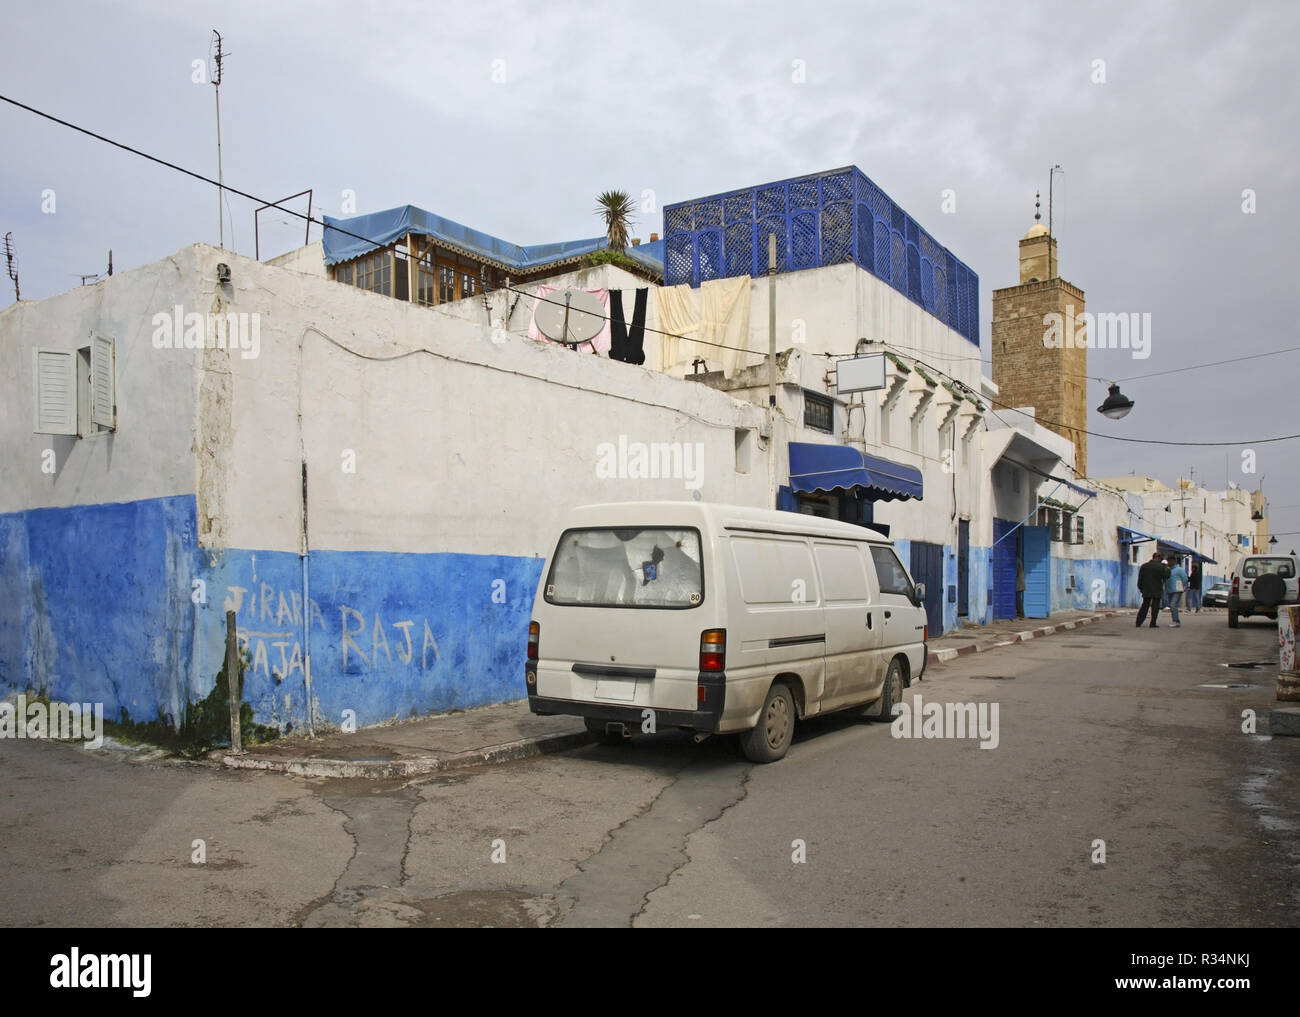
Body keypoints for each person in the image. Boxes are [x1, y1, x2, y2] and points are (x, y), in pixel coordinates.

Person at [1135, 551, 1170, 628]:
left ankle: (1139, 622)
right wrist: (1167, 568)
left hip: (1146, 589)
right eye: (1160, 558)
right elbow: (1166, 576)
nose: (1161, 560)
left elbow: (1140, 579)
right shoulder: (1161, 567)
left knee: (1145, 605)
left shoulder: (1144, 566)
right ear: (1158, 558)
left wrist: (1141, 588)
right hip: (1157, 589)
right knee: (1155, 607)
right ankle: (1153, 623)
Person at [1166, 556, 1188, 627]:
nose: (1168, 563)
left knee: (1173, 605)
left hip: (1177, 590)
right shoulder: (1168, 570)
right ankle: (1175, 620)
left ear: (1173, 561)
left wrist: (1182, 586)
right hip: (1169, 590)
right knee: (1172, 605)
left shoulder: (1179, 570)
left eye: (1169, 561)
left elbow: (1185, 579)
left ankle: (1176, 621)